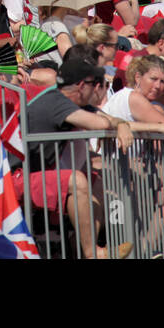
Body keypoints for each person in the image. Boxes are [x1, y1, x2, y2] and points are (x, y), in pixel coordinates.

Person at [18, 54, 133, 260]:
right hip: (17, 177)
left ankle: (79, 247)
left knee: (98, 180)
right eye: (96, 84)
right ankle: (92, 253)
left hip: (39, 175)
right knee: (77, 180)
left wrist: (121, 124)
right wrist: (118, 125)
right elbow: (101, 124)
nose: (98, 89)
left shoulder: (68, 101)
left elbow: (108, 118)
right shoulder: (55, 100)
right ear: (82, 85)